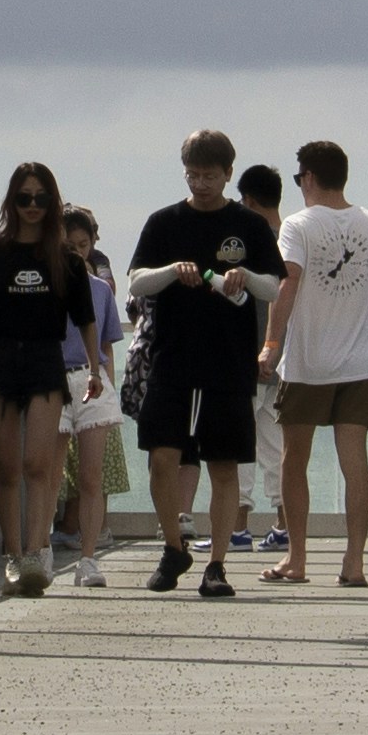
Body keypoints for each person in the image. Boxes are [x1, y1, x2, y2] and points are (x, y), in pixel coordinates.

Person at [128, 130, 281, 598]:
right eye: (193, 175)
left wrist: (244, 276)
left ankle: (216, 563)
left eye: (209, 176)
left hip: (228, 362)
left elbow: (274, 286)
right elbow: (136, 282)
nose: (200, 184)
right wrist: (174, 270)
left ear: (228, 174)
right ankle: (174, 546)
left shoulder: (248, 226)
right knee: (162, 458)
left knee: (224, 464)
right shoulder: (164, 223)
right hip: (172, 359)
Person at [260, 139, 368, 587]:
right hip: (359, 365)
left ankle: (297, 559)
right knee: (355, 462)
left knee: (293, 460)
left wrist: (270, 343)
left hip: (307, 362)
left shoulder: (298, 225)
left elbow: (288, 285)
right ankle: (354, 562)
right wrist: (363, 329)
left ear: (309, 178)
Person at [0, 160, 85, 597]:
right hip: (0, 361)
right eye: (24, 198)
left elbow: (86, 319)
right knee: (7, 467)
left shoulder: (65, 260)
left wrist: (97, 371)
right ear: (12, 201)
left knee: (37, 465)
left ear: (52, 202)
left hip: (45, 360)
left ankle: (36, 551)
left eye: (41, 198)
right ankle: (12, 558)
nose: (32, 206)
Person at [54, 201, 125, 586]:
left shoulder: (100, 289)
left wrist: (108, 387)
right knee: (47, 471)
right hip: (53, 379)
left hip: (90, 380)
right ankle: (42, 551)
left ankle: (89, 557)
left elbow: (108, 345)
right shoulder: (46, 285)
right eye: (69, 245)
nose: (76, 252)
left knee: (92, 475)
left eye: (82, 245)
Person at [236, 161, 291, 552]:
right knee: (278, 448)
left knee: (238, 444)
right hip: (287, 362)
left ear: (250, 200)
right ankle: (283, 524)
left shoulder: (250, 244)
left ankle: (236, 527)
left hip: (249, 356)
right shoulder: (294, 238)